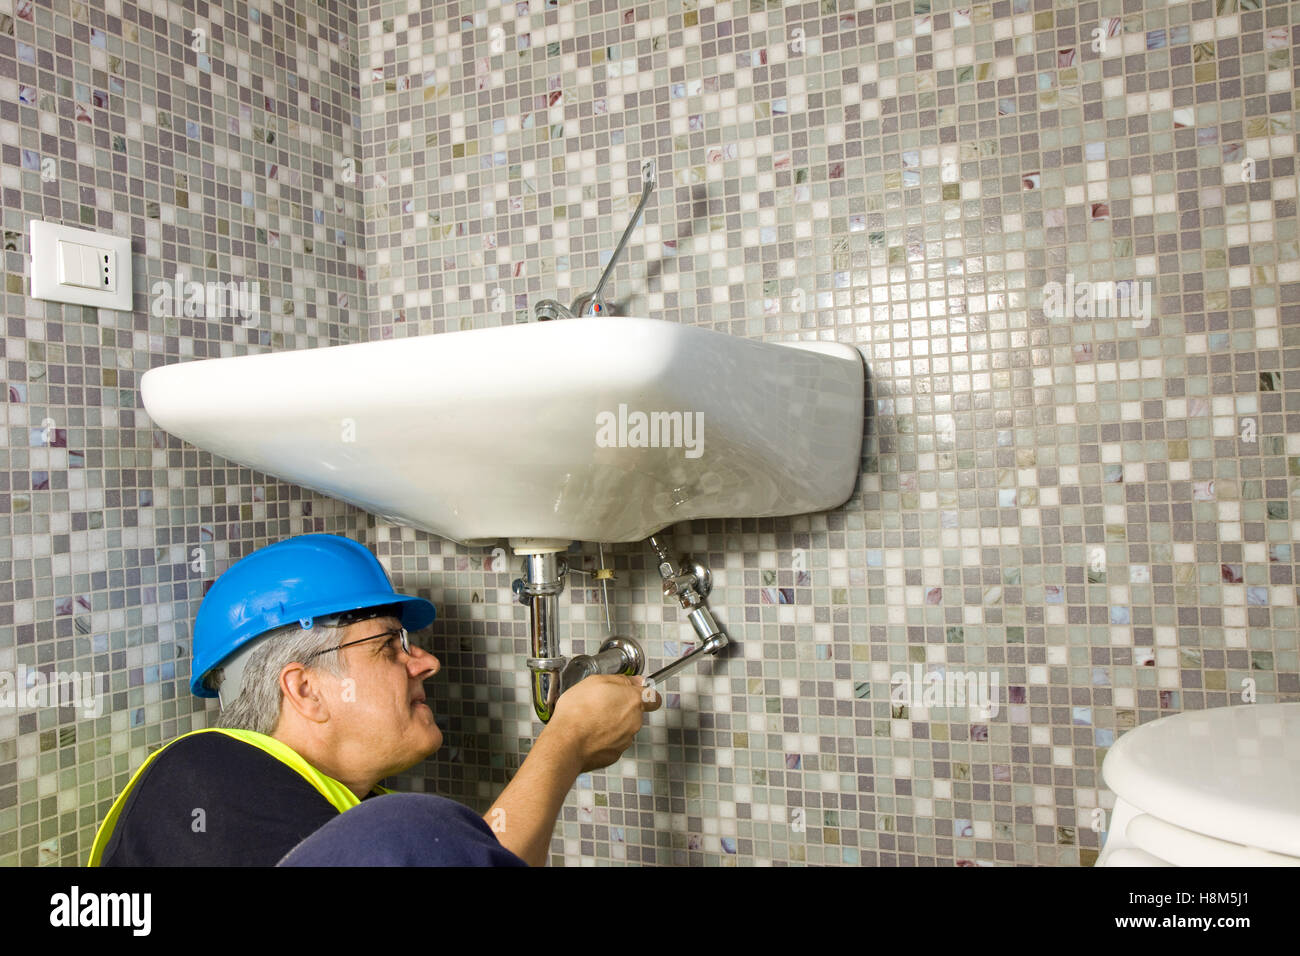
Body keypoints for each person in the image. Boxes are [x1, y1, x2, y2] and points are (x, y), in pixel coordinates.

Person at [88, 533, 658, 866]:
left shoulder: (306, 804)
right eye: (391, 646)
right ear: (304, 688)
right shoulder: (206, 779)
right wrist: (566, 741)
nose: (426, 662)